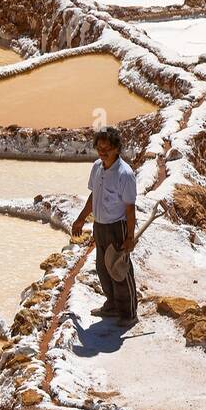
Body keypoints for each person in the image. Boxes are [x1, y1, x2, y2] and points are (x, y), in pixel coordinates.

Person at [71, 125, 138, 326]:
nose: (102, 151)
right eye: (99, 147)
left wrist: (129, 237)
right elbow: (94, 196)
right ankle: (112, 304)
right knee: (103, 268)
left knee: (119, 269)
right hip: (99, 226)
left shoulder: (124, 174)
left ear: (116, 149)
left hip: (117, 227)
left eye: (107, 148)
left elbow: (130, 209)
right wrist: (81, 218)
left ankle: (129, 313)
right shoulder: (97, 167)